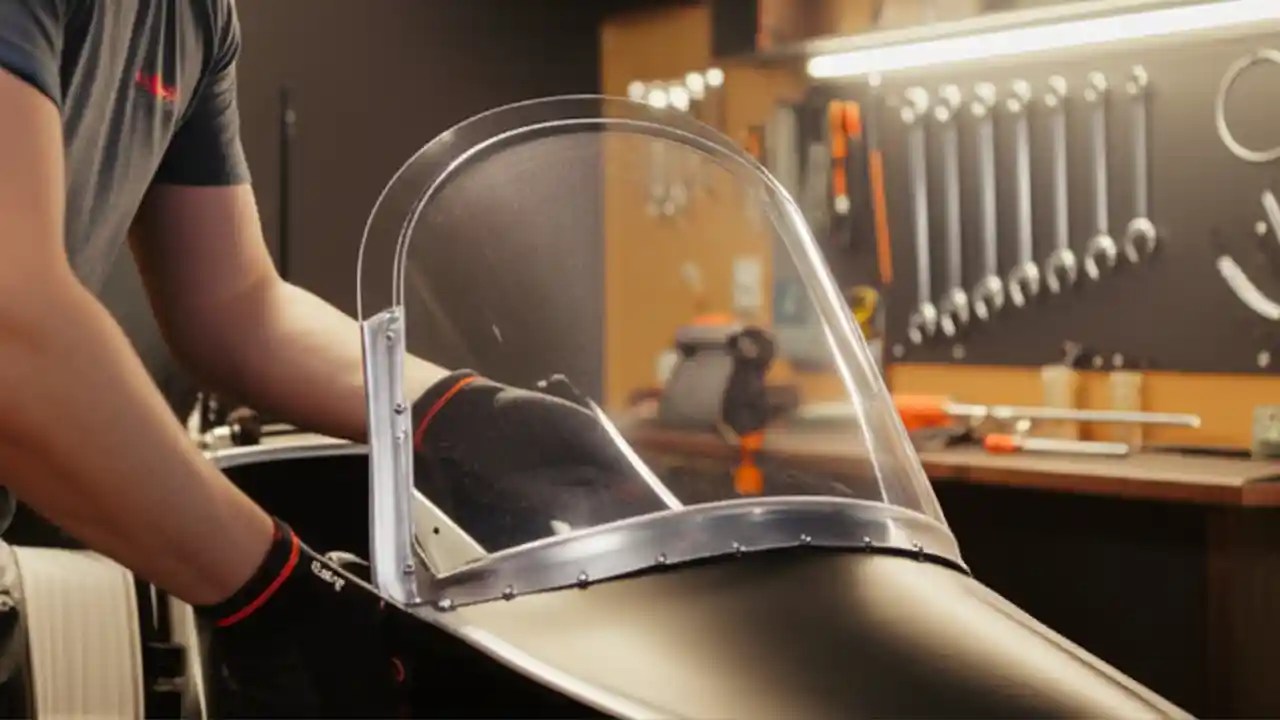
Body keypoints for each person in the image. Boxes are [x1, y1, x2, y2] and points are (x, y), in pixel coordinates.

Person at [0, 0, 648, 716]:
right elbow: (11, 322)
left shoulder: (194, 18)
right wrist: (273, 589)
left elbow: (238, 306)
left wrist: (465, 414)